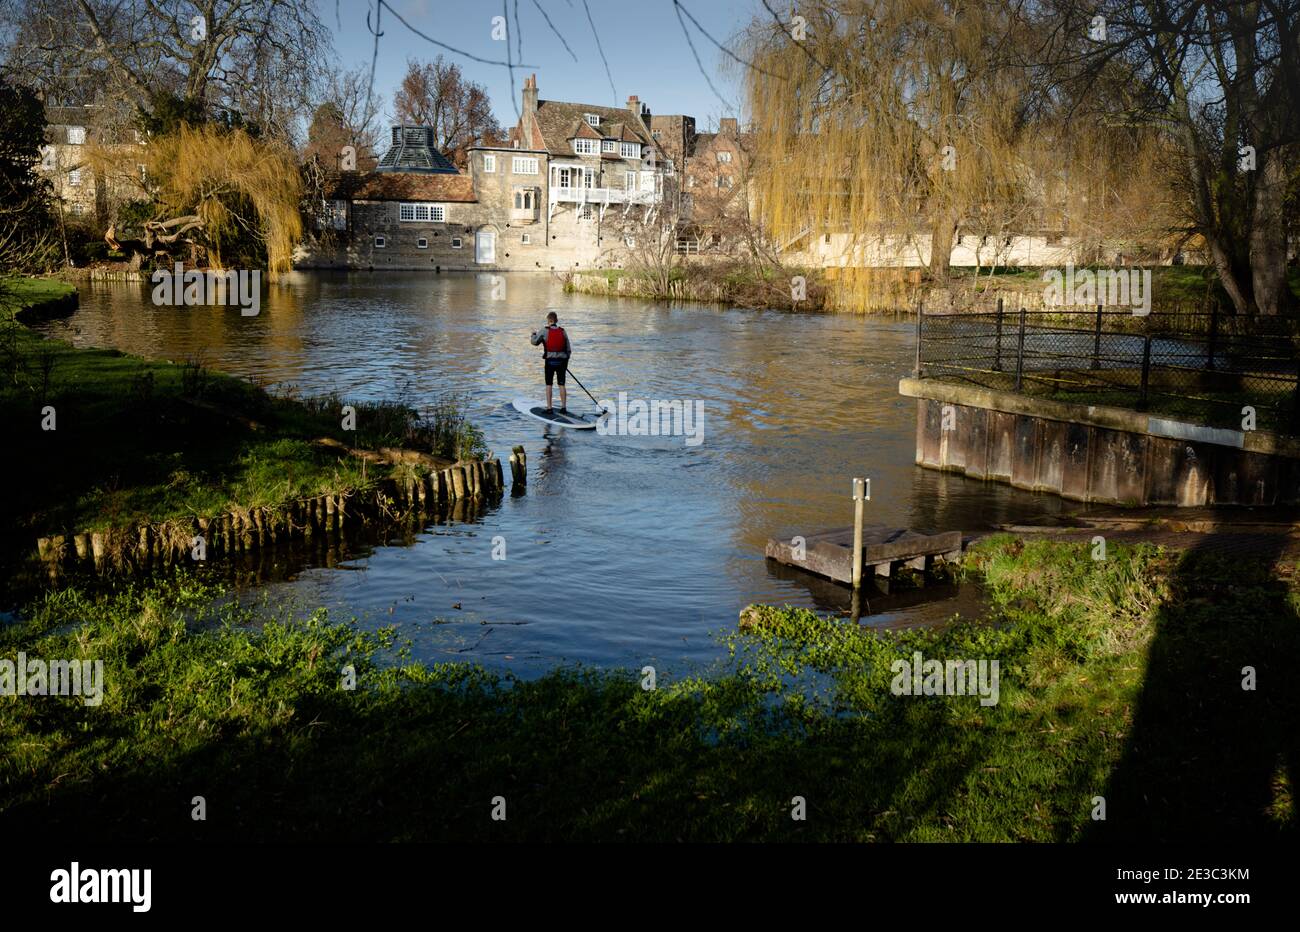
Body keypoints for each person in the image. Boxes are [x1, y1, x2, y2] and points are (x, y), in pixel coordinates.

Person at [530, 312, 571, 413]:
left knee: (549, 384)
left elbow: (534, 342)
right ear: (556, 321)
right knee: (562, 384)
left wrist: (533, 335)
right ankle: (564, 408)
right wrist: (565, 362)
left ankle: (549, 408)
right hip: (562, 362)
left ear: (548, 321)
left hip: (550, 362)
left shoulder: (544, 331)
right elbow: (568, 349)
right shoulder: (563, 331)